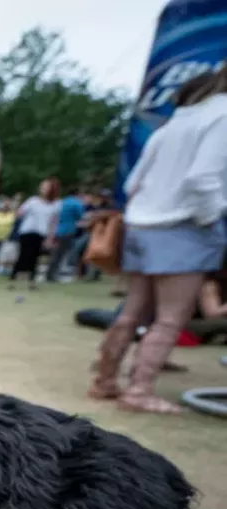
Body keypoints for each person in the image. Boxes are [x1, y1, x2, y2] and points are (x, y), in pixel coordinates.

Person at [90, 68, 227, 414]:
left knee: (132, 311)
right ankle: (139, 390)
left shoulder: (173, 125)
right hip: (182, 226)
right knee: (169, 318)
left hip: (141, 224)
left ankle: (104, 380)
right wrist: (212, 217)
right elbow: (203, 177)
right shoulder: (222, 117)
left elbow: (133, 183)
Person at [9, 178, 60, 289]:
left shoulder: (55, 205)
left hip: (41, 232)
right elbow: (20, 213)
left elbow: (54, 222)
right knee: (23, 256)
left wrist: (50, 237)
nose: (42, 189)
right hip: (27, 231)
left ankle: (31, 282)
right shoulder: (33, 201)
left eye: (45, 187)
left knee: (35, 257)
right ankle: (13, 280)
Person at [49, 185, 88, 282]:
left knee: (56, 253)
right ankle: (54, 275)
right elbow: (80, 216)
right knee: (63, 253)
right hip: (68, 230)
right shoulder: (76, 203)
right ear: (77, 194)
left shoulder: (62, 202)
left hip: (57, 229)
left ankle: (50, 273)